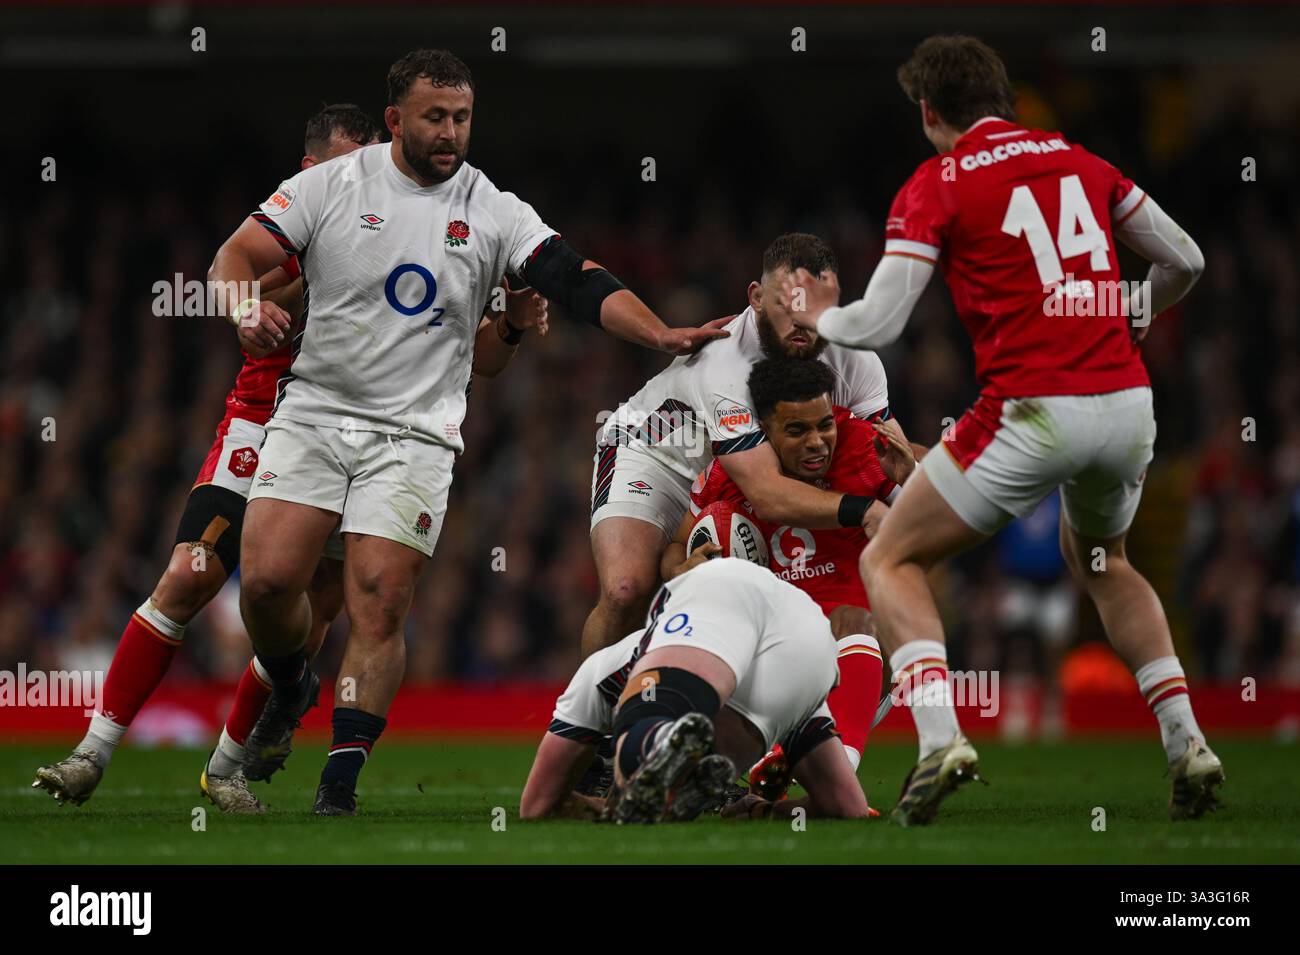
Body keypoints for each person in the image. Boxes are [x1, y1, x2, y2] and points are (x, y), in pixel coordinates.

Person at [207, 49, 727, 816]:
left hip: (415, 437)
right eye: (434, 117)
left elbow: (574, 279)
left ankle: (337, 790)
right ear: (395, 121)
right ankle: (289, 685)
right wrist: (243, 305)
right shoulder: (330, 186)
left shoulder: (493, 209)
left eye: (461, 117)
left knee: (380, 600)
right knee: (270, 585)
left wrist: (655, 334)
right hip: (315, 410)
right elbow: (234, 257)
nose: (450, 132)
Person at [784, 34, 1219, 824]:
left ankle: (940, 738)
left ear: (928, 112)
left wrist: (822, 315)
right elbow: (1185, 258)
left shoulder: (939, 180)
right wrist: (1138, 307)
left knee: (892, 553)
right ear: (1003, 100)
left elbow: (880, 319)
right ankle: (1187, 740)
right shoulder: (1082, 163)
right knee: (1104, 560)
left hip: (1034, 407)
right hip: (1126, 401)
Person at [32, 104, 382, 812]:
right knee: (188, 577)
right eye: (348, 164)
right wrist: (258, 302)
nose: (362, 180)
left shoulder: (390, 232)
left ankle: (224, 767)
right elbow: (236, 285)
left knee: (308, 610)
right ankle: (91, 753)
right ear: (312, 170)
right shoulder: (289, 225)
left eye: (369, 164)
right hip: (260, 429)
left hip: (355, 439)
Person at [584, 233, 900, 661]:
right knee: (626, 590)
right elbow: (768, 495)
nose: (801, 326)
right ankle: (588, 721)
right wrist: (866, 511)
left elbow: (887, 457)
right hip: (657, 455)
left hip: (732, 472)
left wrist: (927, 473)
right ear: (755, 296)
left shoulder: (854, 359)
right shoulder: (725, 365)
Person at [662, 356, 916, 775]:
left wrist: (910, 479)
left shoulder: (868, 447)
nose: (817, 441)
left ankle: (841, 774)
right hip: (773, 647)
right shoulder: (730, 471)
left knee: (857, 620)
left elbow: (933, 538)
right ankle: (761, 770)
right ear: (762, 430)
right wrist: (682, 569)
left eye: (824, 425)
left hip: (860, 650)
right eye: (797, 430)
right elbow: (674, 546)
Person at [519, 558, 870, 823]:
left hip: (727, 593)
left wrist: (604, 801)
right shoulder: (626, 659)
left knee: (643, 725)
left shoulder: (598, 674)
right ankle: (670, 766)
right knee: (666, 745)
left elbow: (536, 806)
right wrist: (760, 811)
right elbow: (845, 805)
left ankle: (655, 751)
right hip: (813, 652)